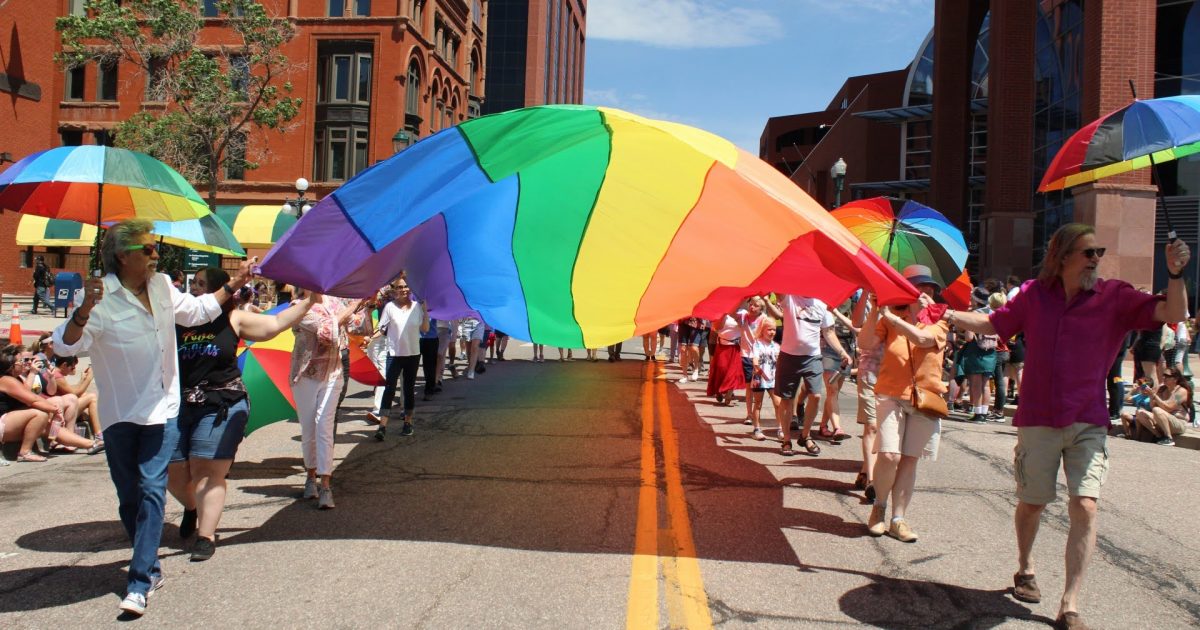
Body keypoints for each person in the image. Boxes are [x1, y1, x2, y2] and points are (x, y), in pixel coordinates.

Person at [944, 223, 1189, 630]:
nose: (1096, 259)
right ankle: (1025, 567)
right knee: (1033, 503)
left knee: (1085, 505)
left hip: (1088, 419)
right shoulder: (1035, 297)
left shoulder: (1115, 296)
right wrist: (950, 313)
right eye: (1089, 252)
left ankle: (1070, 604)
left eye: (1100, 252)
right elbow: (994, 324)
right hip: (1038, 417)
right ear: (1062, 256)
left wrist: (1176, 273)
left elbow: (1175, 312)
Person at [53, 219, 253, 616]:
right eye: (147, 249)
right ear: (124, 256)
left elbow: (197, 311)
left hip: (163, 409)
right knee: (130, 498)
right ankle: (151, 564)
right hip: (119, 413)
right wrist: (83, 310)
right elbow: (64, 346)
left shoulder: (162, 285)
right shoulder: (97, 297)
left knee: (150, 489)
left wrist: (235, 282)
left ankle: (140, 580)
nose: (155, 255)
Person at [166, 266, 316, 560]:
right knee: (173, 472)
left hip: (222, 401)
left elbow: (273, 325)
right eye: (192, 283)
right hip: (178, 404)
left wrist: (310, 301)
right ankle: (193, 507)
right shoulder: (174, 318)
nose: (193, 288)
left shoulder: (232, 318)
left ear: (220, 290)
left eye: (200, 284)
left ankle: (205, 536)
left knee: (207, 468)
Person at [859, 265, 949, 543]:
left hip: (926, 397)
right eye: (917, 288)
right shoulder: (890, 316)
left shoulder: (940, 318)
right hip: (891, 392)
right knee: (889, 455)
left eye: (929, 288)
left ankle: (898, 519)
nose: (924, 293)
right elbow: (865, 343)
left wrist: (898, 318)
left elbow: (922, 339)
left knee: (909, 461)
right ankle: (879, 509)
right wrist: (876, 309)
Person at [291, 291, 360, 508]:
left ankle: (326, 485)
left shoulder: (336, 301)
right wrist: (354, 306)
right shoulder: (298, 306)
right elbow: (326, 332)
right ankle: (310, 477)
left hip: (333, 373)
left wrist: (364, 306)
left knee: (324, 427)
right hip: (306, 376)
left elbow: (359, 328)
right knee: (309, 429)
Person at [775, 294, 851, 457]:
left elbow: (829, 333)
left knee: (816, 396)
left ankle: (805, 436)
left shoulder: (822, 304)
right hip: (788, 356)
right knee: (787, 399)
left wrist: (842, 352)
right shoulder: (790, 299)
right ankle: (787, 440)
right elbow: (777, 288)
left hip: (812, 357)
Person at [371, 280, 429, 440]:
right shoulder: (390, 307)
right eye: (399, 287)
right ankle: (382, 426)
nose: (403, 290)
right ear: (394, 290)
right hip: (394, 354)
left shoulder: (417, 307)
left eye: (405, 286)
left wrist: (425, 312)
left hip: (413, 353)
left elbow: (424, 329)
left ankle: (408, 423)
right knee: (389, 389)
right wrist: (369, 338)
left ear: (410, 288)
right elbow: (382, 329)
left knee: (408, 389)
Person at [852, 293, 883, 503]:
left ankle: (865, 470)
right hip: (870, 372)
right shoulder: (871, 299)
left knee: (883, 428)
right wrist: (870, 300)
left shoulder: (904, 304)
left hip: (894, 375)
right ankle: (872, 481)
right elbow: (856, 323)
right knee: (871, 426)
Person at [0, 348, 53, 461]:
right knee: (40, 414)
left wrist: (54, 410)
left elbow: (33, 397)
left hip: (9, 423)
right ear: (10, 365)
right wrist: (56, 410)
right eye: (22, 360)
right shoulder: (6, 380)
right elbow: (32, 399)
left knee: (49, 422)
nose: (26, 363)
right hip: (3, 424)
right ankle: (25, 452)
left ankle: (91, 443)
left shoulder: (16, 378)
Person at [1121, 368, 1191, 446]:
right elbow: (1152, 406)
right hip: (1162, 420)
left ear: (1175, 379)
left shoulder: (1181, 391)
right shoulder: (1162, 389)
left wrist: (1154, 395)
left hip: (1178, 423)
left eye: (1167, 376)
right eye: (1163, 375)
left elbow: (1168, 407)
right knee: (1140, 412)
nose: (1164, 378)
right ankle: (1158, 436)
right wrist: (1151, 396)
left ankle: (1169, 438)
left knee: (1157, 410)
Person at [50, 355, 101, 441]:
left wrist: (82, 380)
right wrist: (89, 379)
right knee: (92, 397)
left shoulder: (57, 374)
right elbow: (74, 393)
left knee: (85, 395)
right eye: (72, 367)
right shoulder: (57, 376)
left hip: (61, 408)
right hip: (60, 412)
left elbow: (72, 391)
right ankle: (99, 435)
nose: (73, 369)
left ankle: (94, 427)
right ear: (64, 365)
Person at [747, 320, 780, 441]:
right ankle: (757, 429)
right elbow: (755, 360)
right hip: (759, 378)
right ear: (763, 330)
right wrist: (757, 368)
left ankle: (781, 428)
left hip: (773, 378)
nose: (772, 332)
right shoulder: (757, 344)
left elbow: (779, 363)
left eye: (774, 330)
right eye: (769, 329)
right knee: (758, 404)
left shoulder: (776, 346)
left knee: (778, 404)